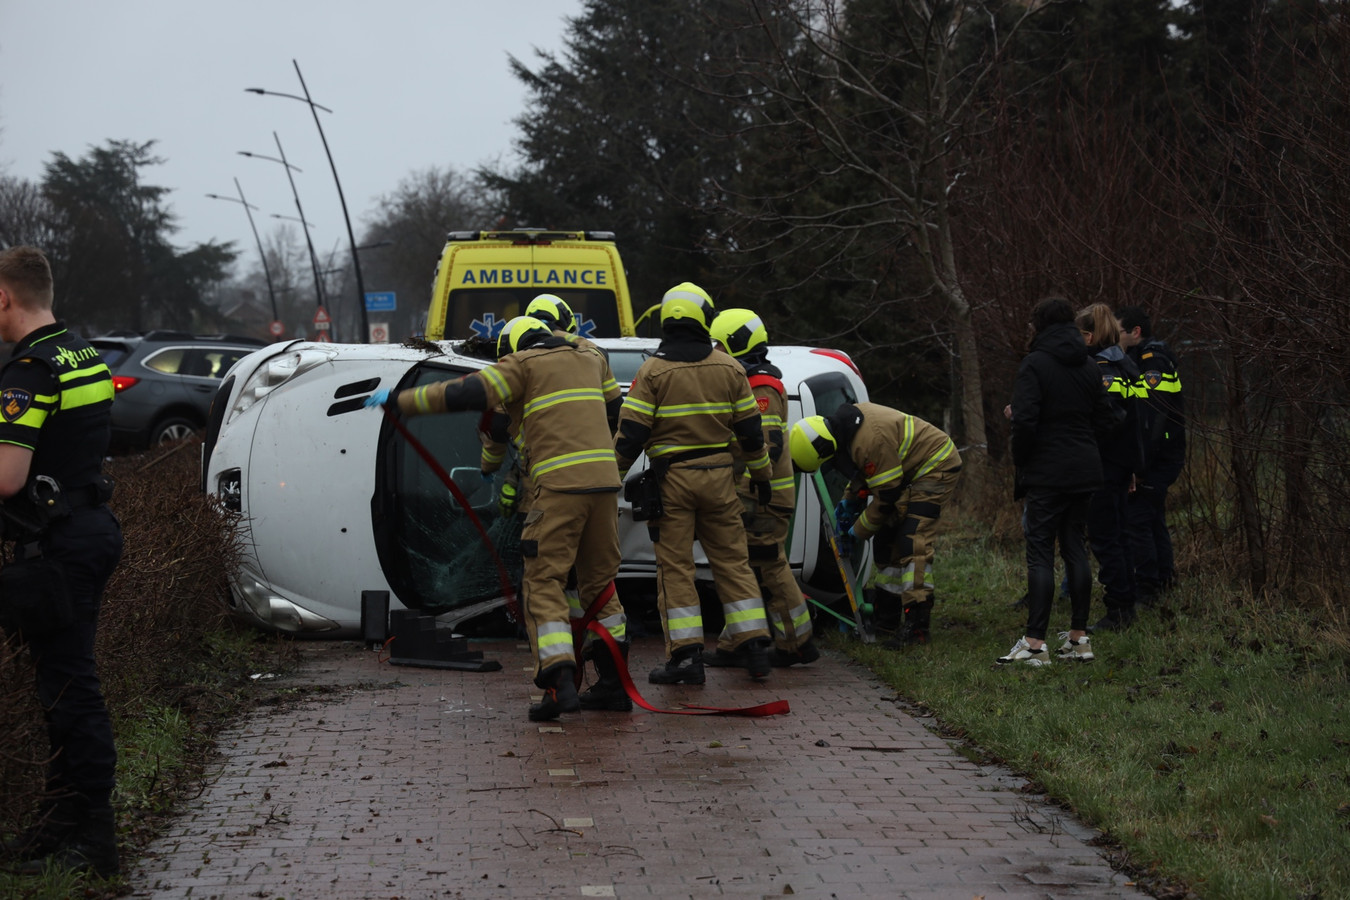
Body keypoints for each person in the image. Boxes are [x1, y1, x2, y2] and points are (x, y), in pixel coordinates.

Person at [366, 315, 629, 720]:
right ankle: (613, 685)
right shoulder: (588, 358)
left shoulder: (523, 365)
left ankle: (559, 684)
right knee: (600, 586)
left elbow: (464, 393)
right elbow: (616, 412)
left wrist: (399, 401)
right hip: (605, 487)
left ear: (514, 349)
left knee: (543, 583)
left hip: (558, 489)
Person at [0, 247, 123, 876]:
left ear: (5, 298)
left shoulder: (28, 371)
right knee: (60, 686)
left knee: (71, 689)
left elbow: (7, 476)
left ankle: (96, 839)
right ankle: (58, 819)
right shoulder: (83, 354)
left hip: (59, 544)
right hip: (87, 528)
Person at [614, 282, 775, 685]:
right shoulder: (730, 367)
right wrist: (762, 476)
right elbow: (751, 434)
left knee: (676, 569)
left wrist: (609, 480)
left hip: (673, 482)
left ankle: (685, 660)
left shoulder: (652, 371)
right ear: (705, 317)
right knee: (732, 562)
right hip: (720, 478)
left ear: (667, 319)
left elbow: (631, 434)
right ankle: (755, 644)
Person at [997, 296, 1119, 667]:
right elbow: (1108, 419)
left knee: (1039, 554)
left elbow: (1026, 422)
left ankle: (1035, 644)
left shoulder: (1034, 365)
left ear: (1040, 327)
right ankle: (1079, 640)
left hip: (1047, 473)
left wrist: (1024, 460)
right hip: (1084, 470)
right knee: (1075, 548)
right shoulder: (1088, 366)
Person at [788, 401, 962, 649]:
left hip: (936, 465)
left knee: (912, 540)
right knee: (886, 542)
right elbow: (864, 473)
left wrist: (856, 532)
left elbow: (886, 496)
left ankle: (918, 627)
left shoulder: (869, 441)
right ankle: (887, 619)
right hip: (907, 471)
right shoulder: (845, 428)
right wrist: (849, 502)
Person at [703, 309, 818, 669]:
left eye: (719, 344)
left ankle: (797, 641)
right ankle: (739, 640)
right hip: (755, 495)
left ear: (735, 343)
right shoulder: (748, 381)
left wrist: (747, 487)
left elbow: (765, 444)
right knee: (748, 569)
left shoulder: (761, 386)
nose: (715, 351)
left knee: (768, 567)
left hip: (762, 497)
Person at [1076, 303, 1145, 632]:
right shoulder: (1126, 364)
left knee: (1105, 537)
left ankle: (1118, 610)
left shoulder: (1100, 368)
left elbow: (1109, 420)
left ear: (1089, 334)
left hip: (1104, 465)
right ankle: (1125, 604)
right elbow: (1134, 420)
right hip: (1120, 463)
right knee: (1118, 535)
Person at [1116, 305, 1185, 605]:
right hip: (1160, 455)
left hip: (1158, 457)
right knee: (1153, 517)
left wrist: (1140, 464)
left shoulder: (1152, 360)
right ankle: (1163, 578)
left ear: (1135, 332)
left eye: (1119, 330)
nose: (1115, 336)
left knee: (1139, 519)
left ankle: (1147, 588)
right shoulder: (1143, 358)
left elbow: (1153, 418)